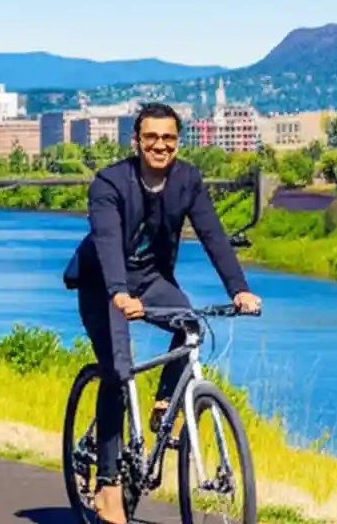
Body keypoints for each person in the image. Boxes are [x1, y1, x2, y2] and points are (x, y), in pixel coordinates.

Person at [62, 102, 262, 524]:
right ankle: (108, 484)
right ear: (136, 140)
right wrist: (118, 293)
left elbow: (213, 235)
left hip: (150, 280)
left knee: (190, 325)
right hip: (104, 283)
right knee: (117, 371)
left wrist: (239, 289)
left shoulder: (187, 179)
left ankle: (164, 402)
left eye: (168, 138)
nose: (160, 145)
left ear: (177, 141)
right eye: (150, 137)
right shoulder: (109, 182)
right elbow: (107, 240)